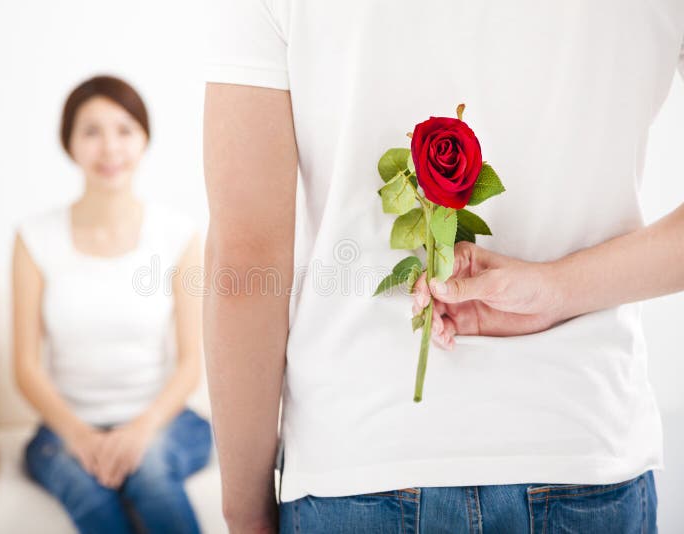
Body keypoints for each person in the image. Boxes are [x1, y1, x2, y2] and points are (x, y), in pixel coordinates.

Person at [201, 1, 684, 532]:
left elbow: (245, 260)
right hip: (581, 438)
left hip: (357, 452)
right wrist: (558, 290)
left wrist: (245, 510)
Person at [13, 75, 212, 534]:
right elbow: (26, 367)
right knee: (88, 493)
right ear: (69, 144)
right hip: (65, 429)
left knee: (155, 477)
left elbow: (189, 366)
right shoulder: (34, 238)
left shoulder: (177, 235)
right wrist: (82, 438)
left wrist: (138, 434)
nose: (109, 148)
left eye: (124, 130)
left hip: (162, 421)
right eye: (91, 131)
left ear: (144, 139)